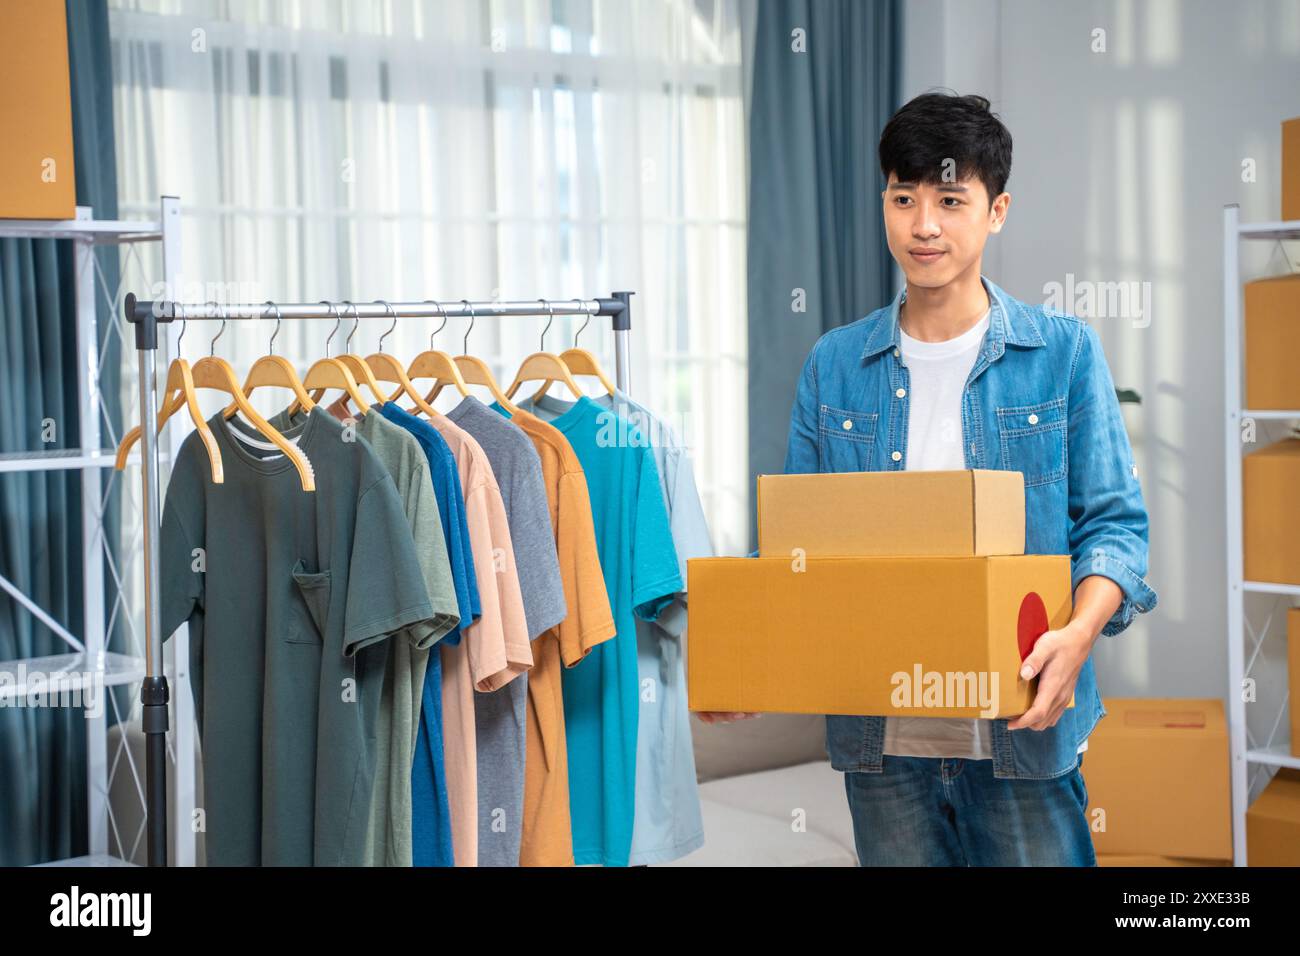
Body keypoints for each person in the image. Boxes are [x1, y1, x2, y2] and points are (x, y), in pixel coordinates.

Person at [698, 91, 1156, 866]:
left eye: (950, 199)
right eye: (903, 198)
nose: (924, 225)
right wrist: (750, 654)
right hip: (885, 751)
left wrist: (1078, 636)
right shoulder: (835, 365)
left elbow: (1116, 527)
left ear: (997, 210)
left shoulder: (1063, 353)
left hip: (1022, 738)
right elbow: (796, 549)